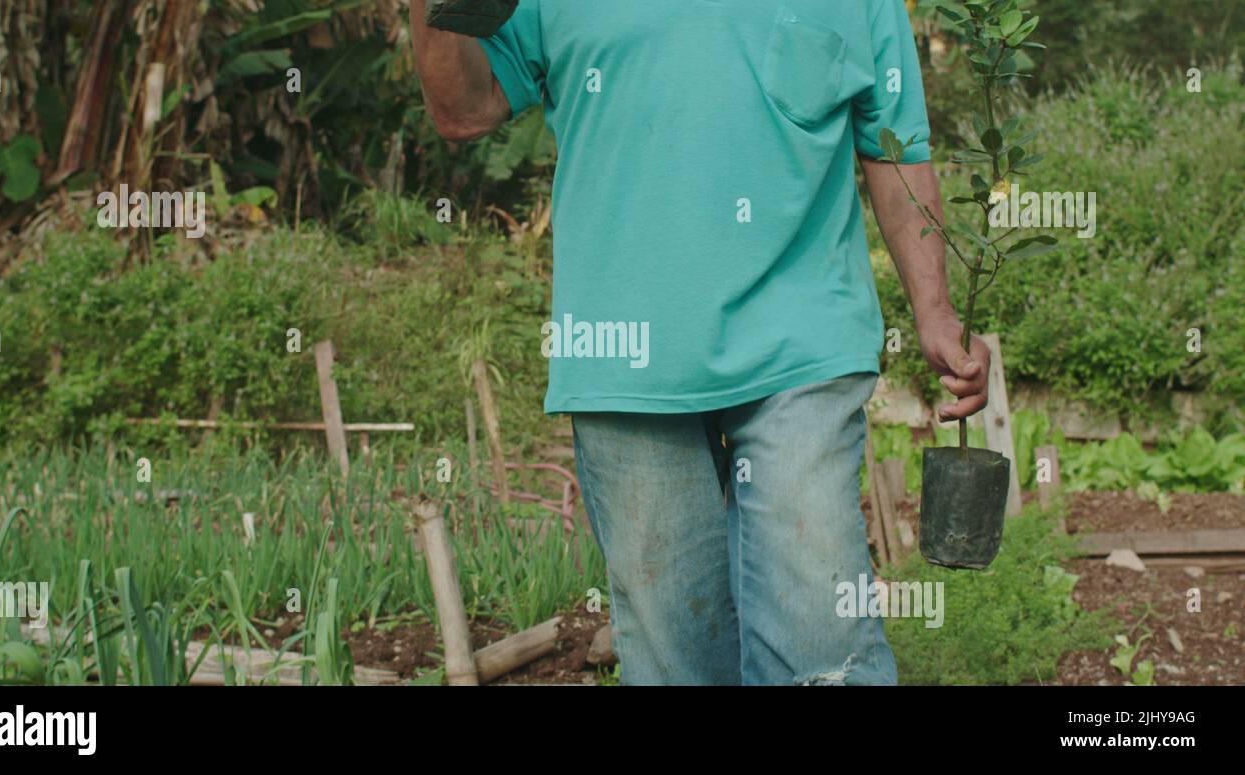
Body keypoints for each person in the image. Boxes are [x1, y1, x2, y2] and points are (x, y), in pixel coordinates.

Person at [411, 0, 991, 685]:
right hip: (625, 359)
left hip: (801, 347)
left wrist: (935, 309)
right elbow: (465, 108)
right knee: (675, 657)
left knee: (821, 642)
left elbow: (894, 145)